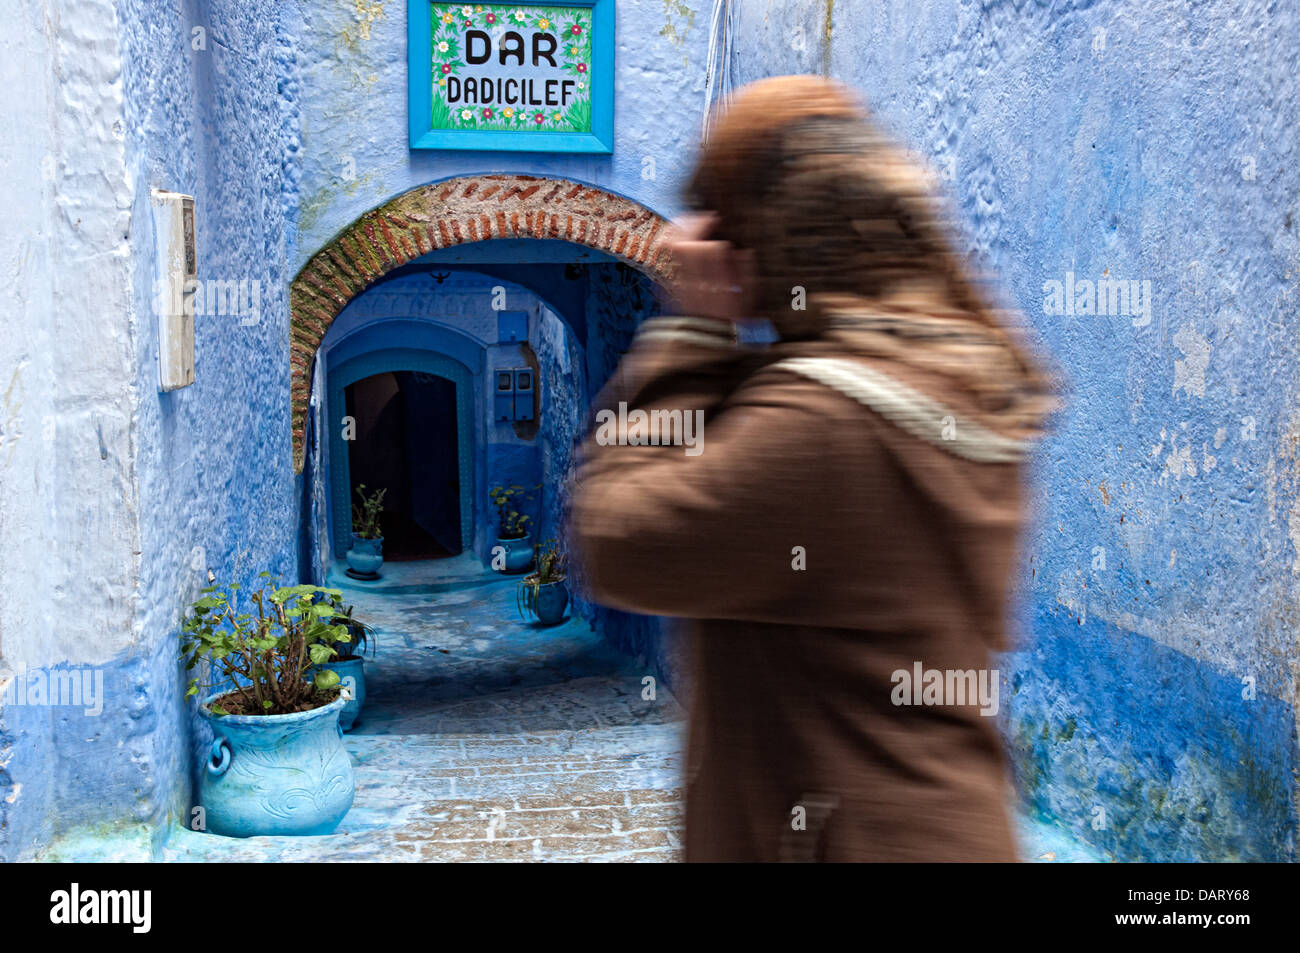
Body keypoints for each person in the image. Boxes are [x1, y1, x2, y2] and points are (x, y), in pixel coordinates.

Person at [567, 75, 1056, 862]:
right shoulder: (952, 374)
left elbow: (617, 535)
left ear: (764, 237)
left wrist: (692, 331)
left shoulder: (824, 421)